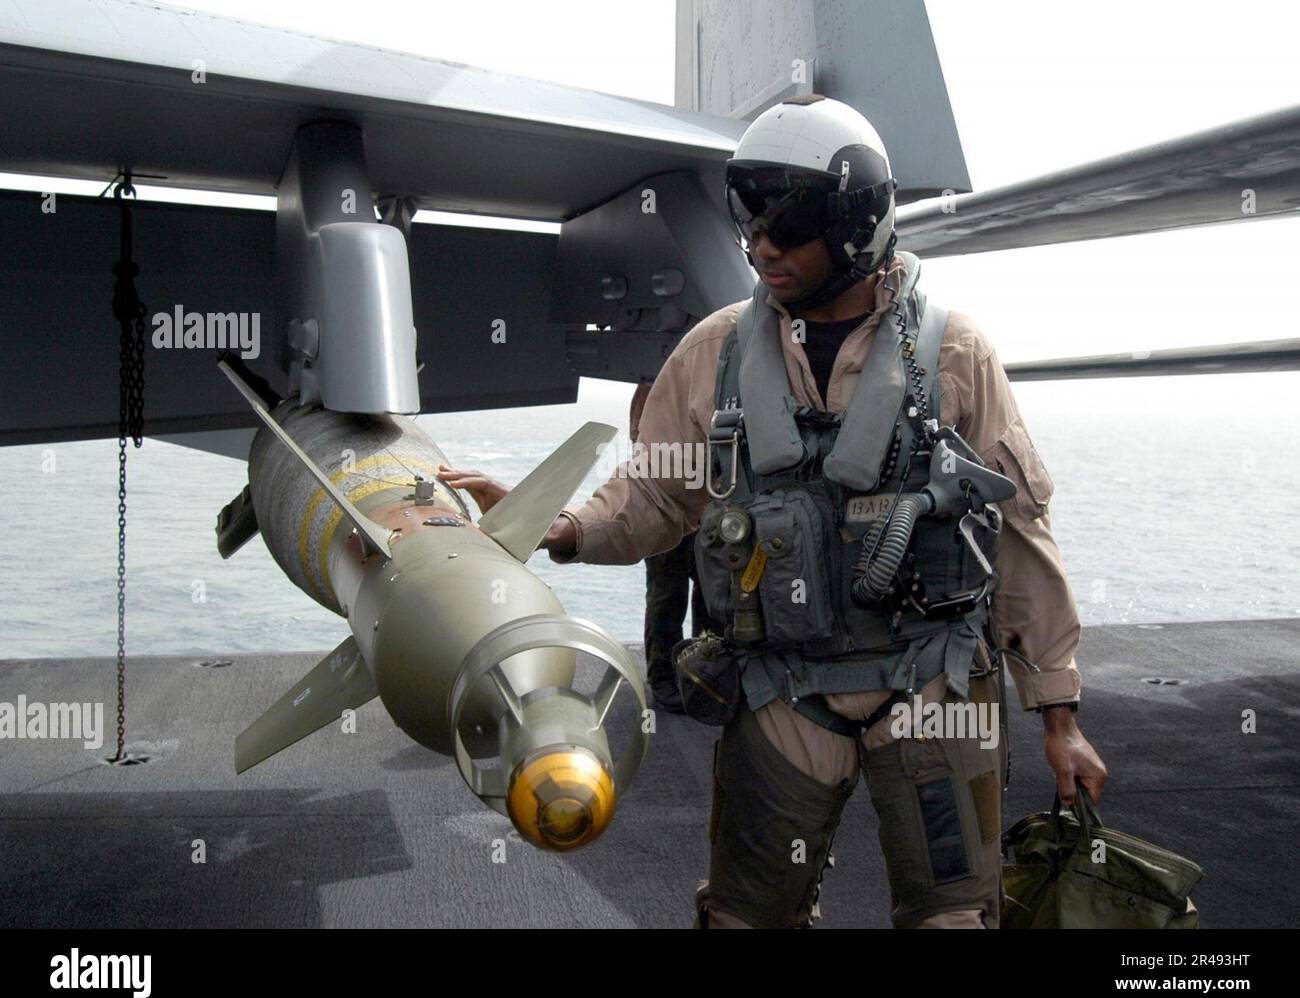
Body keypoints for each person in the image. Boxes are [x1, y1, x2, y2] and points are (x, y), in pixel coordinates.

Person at [439, 94, 1107, 929]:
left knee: (954, 920)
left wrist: (1059, 714)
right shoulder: (714, 354)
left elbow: (1017, 532)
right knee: (746, 918)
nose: (762, 248)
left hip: (933, 682)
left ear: (855, 223)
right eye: (750, 226)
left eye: (787, 229)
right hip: (784, 689)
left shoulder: (955, 355)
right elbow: (656, 494)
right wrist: (559, 525)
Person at [630, 382, 714, 713]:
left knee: (711, 597)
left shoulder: (703, 377)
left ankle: (704, 673)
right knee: (668, 596)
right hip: (667, 511)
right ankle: (664, 679)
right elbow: (644, 447)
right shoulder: (654, 387)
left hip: (706, 508)